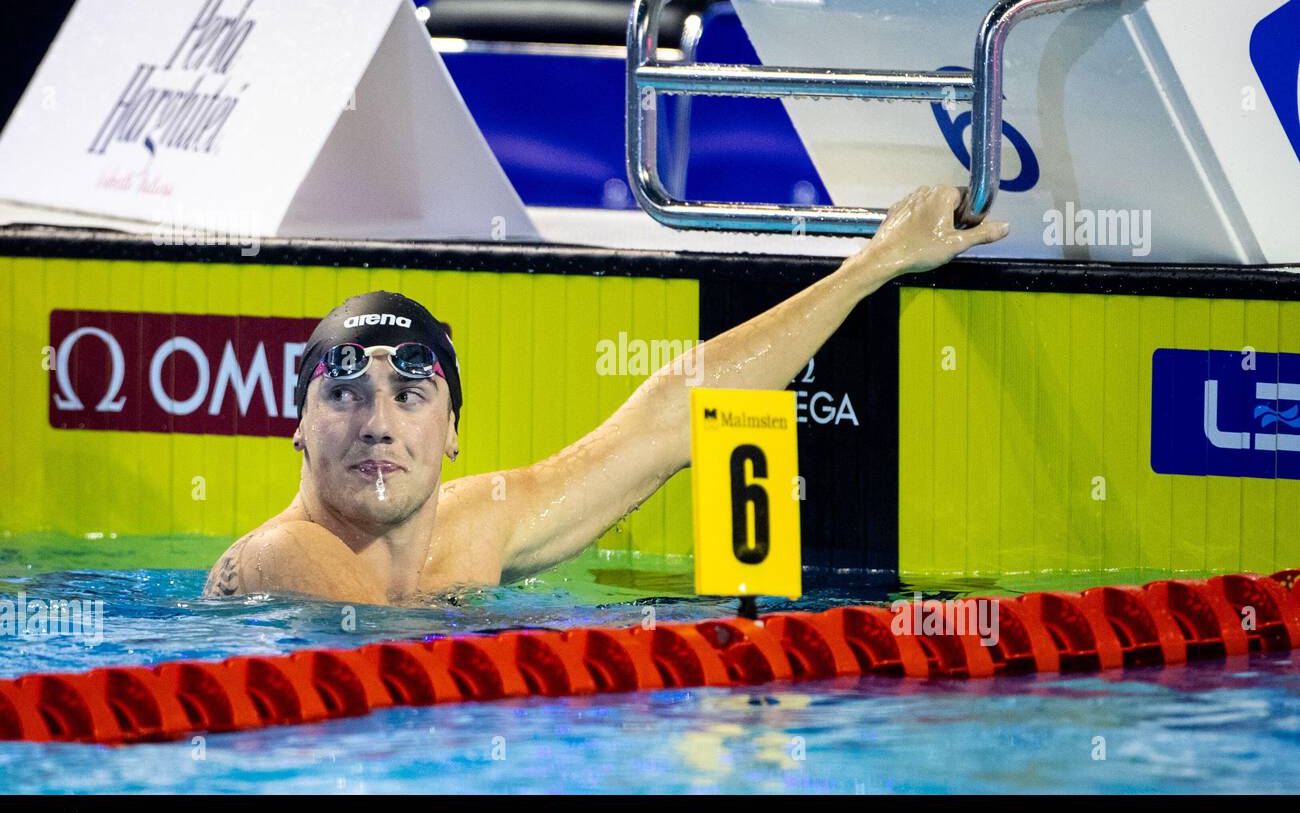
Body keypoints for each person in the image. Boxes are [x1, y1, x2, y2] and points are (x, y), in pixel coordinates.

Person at [203, 185, 1008, 604]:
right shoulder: (287, 556)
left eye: (410, 394)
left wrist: (873, 267)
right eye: (345, 395)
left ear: (453, 430)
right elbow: (387, 691)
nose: (378, 424)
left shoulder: (479, 526)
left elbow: (666, 420)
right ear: (299, 427)